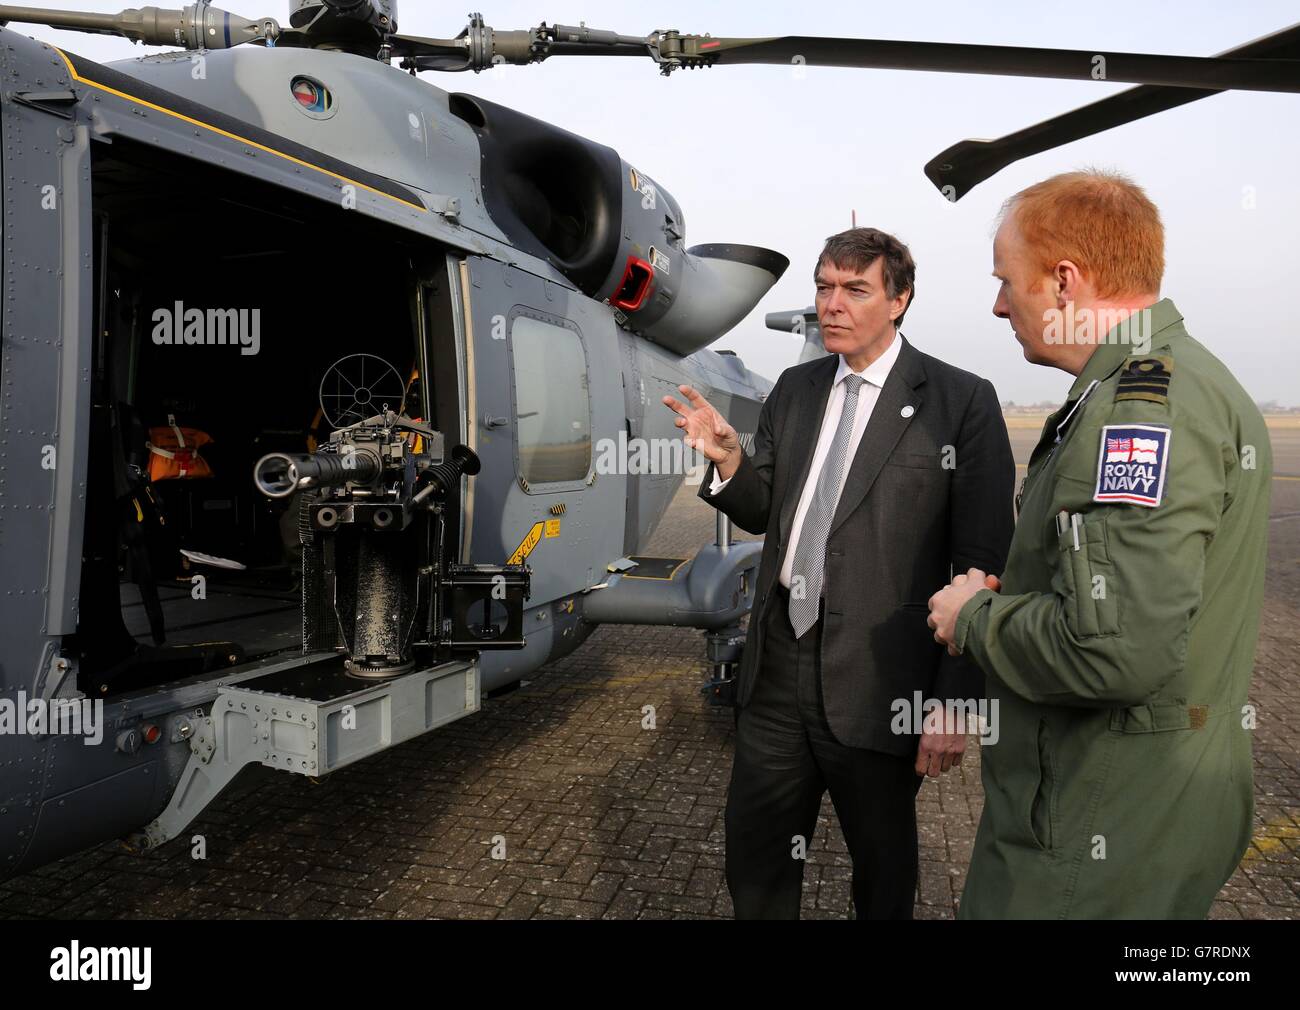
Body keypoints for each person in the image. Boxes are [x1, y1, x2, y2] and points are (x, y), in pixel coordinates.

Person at [927, 170, 1273, 918]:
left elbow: (1114, 650)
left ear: (1064, 281)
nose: (998, 305)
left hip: (1093, 826)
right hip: (1135, 803)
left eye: (1005, 280)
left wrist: (973, 618)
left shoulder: (1138, 413)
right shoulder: (1183, 382)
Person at [664, 227, 1015, 918]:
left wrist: (954, 701)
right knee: (757, 859)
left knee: (882, 872)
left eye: (855, 289)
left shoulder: (960, 400)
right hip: (778, 666)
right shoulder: (796, 388)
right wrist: (731, 460)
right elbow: (765, 509)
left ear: (899, 299)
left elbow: (983, 563)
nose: (832, 304)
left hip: (883, 678)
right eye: (824, 287)